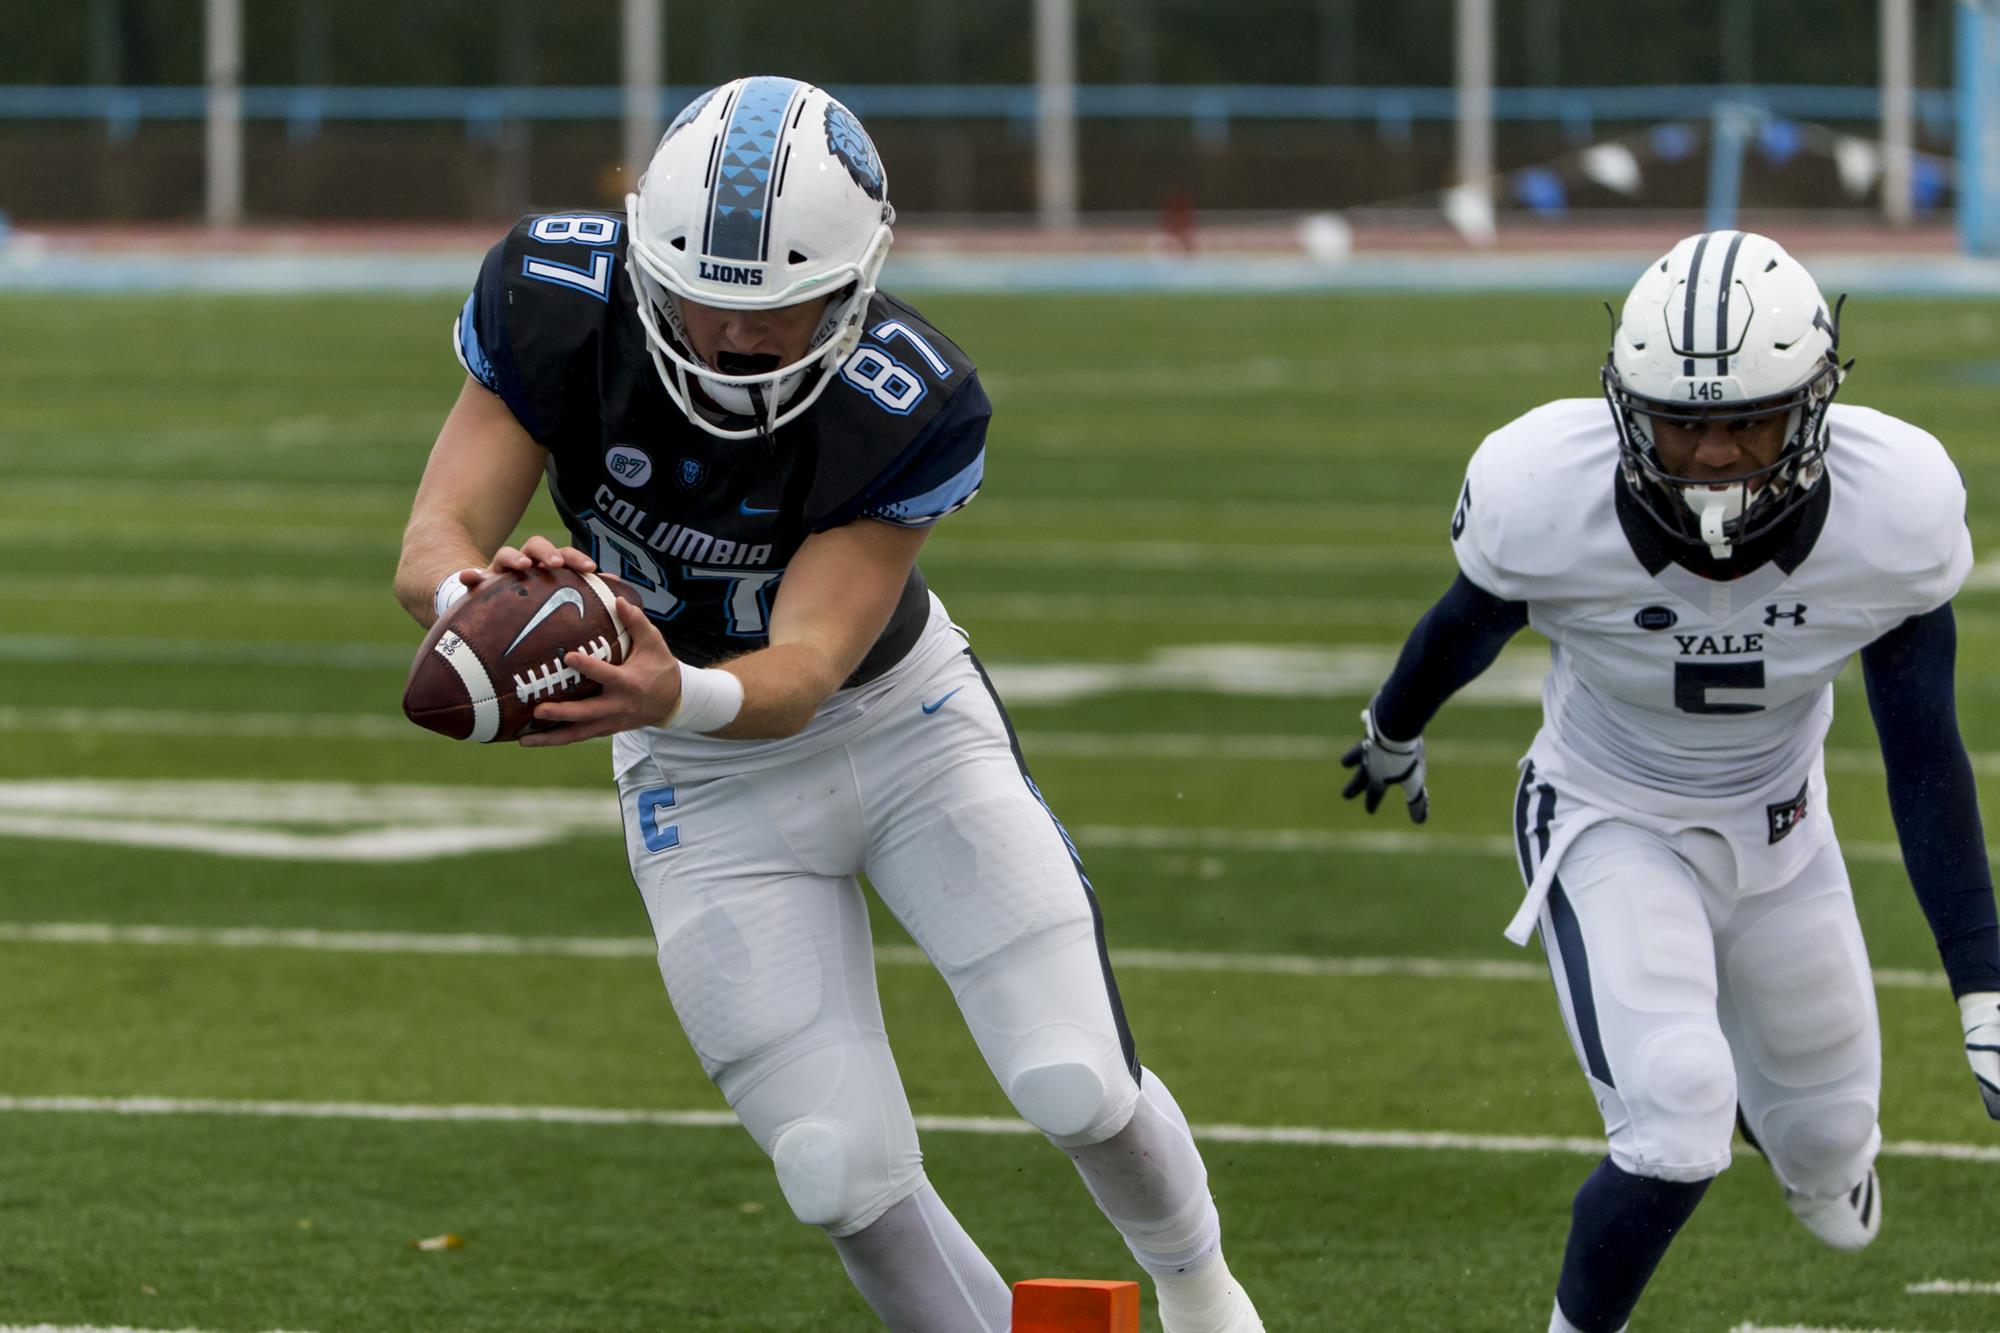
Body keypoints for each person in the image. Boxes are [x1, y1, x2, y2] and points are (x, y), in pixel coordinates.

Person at [393, 76, 1264, 1333]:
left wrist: (663, 684)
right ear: (643, 258)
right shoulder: (554, 300)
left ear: (852, 285)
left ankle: (1203, 1300)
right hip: (699, 777)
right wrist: (487, 593)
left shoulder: (907, 398)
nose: (735, 337)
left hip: (898, 731)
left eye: (780, 308)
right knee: (832, 1165)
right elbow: (434, 536)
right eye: (704, 300)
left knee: (1071, 1079)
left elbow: (800, 671)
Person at [1338, 230, 2000, 1332]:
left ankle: (1782, 1119)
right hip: (1608, 813)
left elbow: (1921, 750)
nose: (1709, 456)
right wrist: (1392, 727)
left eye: (1746, 419)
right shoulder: (1543, 495)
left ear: (1814, 402)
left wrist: (1982, 984)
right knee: (1673, 1125)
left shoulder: (1894, 511)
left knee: (1833, 1169)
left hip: (1783, 830)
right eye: (1680, 422)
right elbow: (1462, 626)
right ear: (1625, 408)